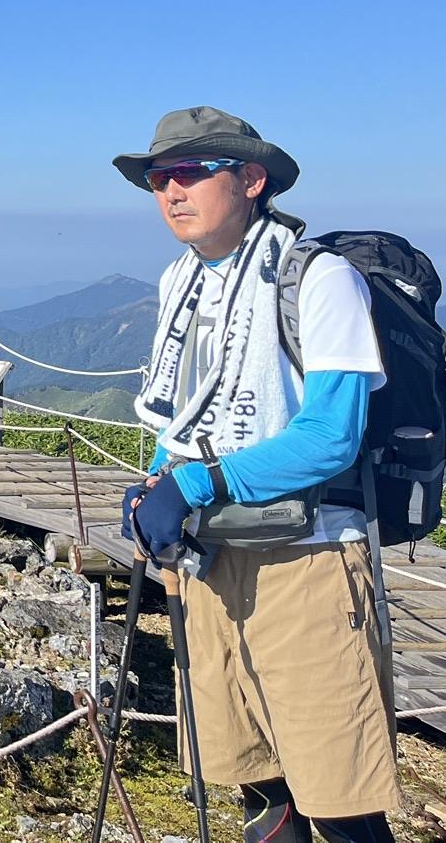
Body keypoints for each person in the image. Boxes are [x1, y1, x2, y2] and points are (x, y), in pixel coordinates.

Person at [115, 107, 398, 843]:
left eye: (190, 172)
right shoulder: (183, 280)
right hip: (209, 560)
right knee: (259, 787)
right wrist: (156, 485)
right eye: (157, 178)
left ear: (250, 179)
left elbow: (332, 434)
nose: (170, 191)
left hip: (304, 564)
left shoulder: (320, 279)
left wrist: (197, 485)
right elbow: (179, 418)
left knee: (339, 801)